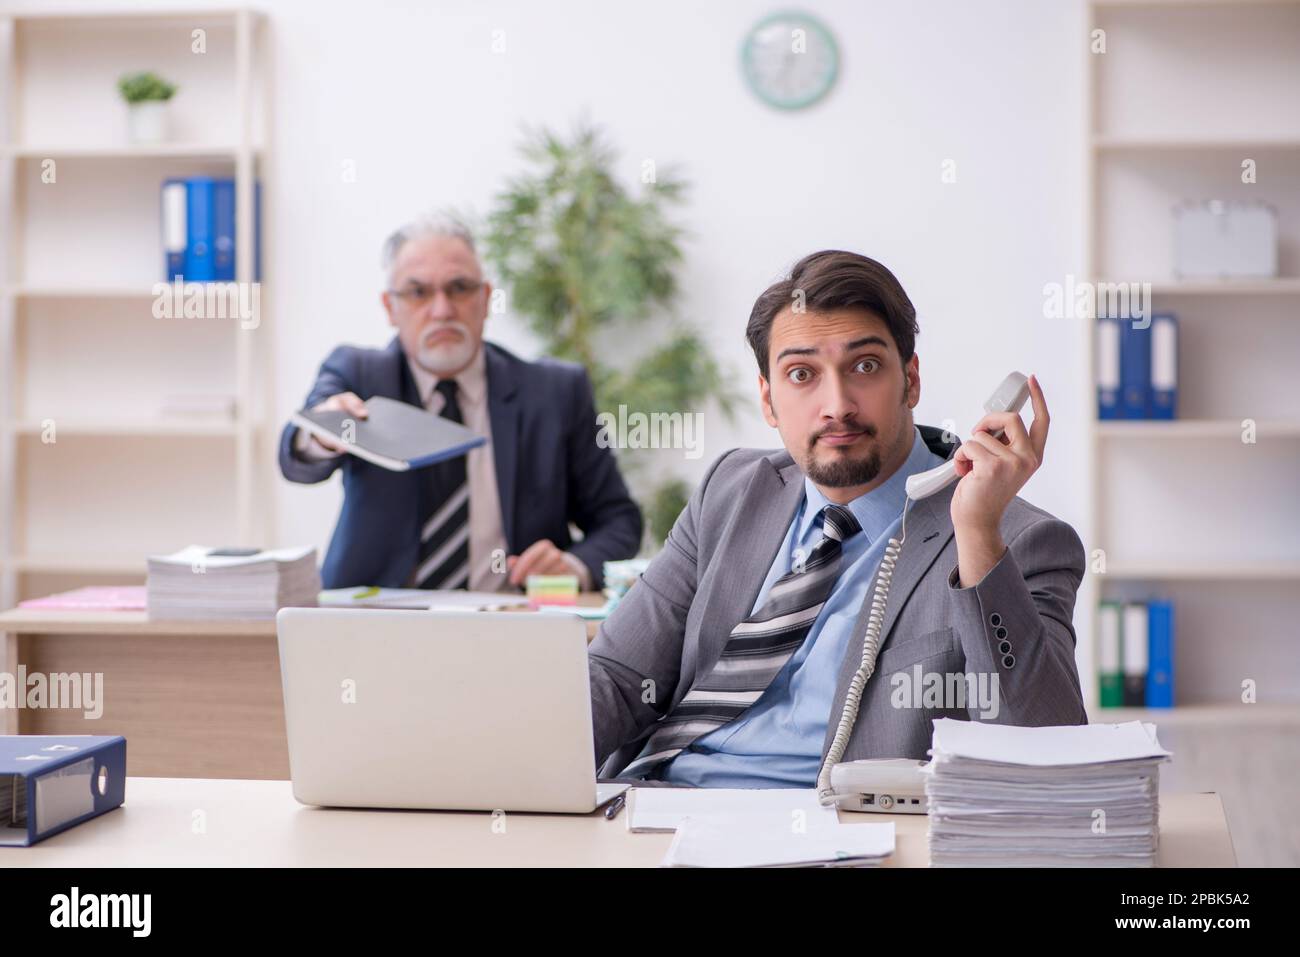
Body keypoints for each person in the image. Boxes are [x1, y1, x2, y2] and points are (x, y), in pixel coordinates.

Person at [589, 249, 1087, 786]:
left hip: (830, 836)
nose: (838, 404)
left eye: (865, 367)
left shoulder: (1019, 539)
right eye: (802, 373)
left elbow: (1048, 751)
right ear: (768, 400)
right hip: (653, 810)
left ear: (911, 380)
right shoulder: (731, 490)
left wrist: (977, 536)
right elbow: (619, 677)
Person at [278, 213, 642, 592]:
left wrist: (572, 566)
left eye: (459, 288)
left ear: (485, 299)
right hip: (375, 622)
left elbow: (619, 519)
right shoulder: (358, 373)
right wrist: (324, 432)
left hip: (509, 626)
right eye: (418, 292)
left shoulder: (555, 392)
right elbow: (294, 457)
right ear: (390, 308)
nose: (442, 310)